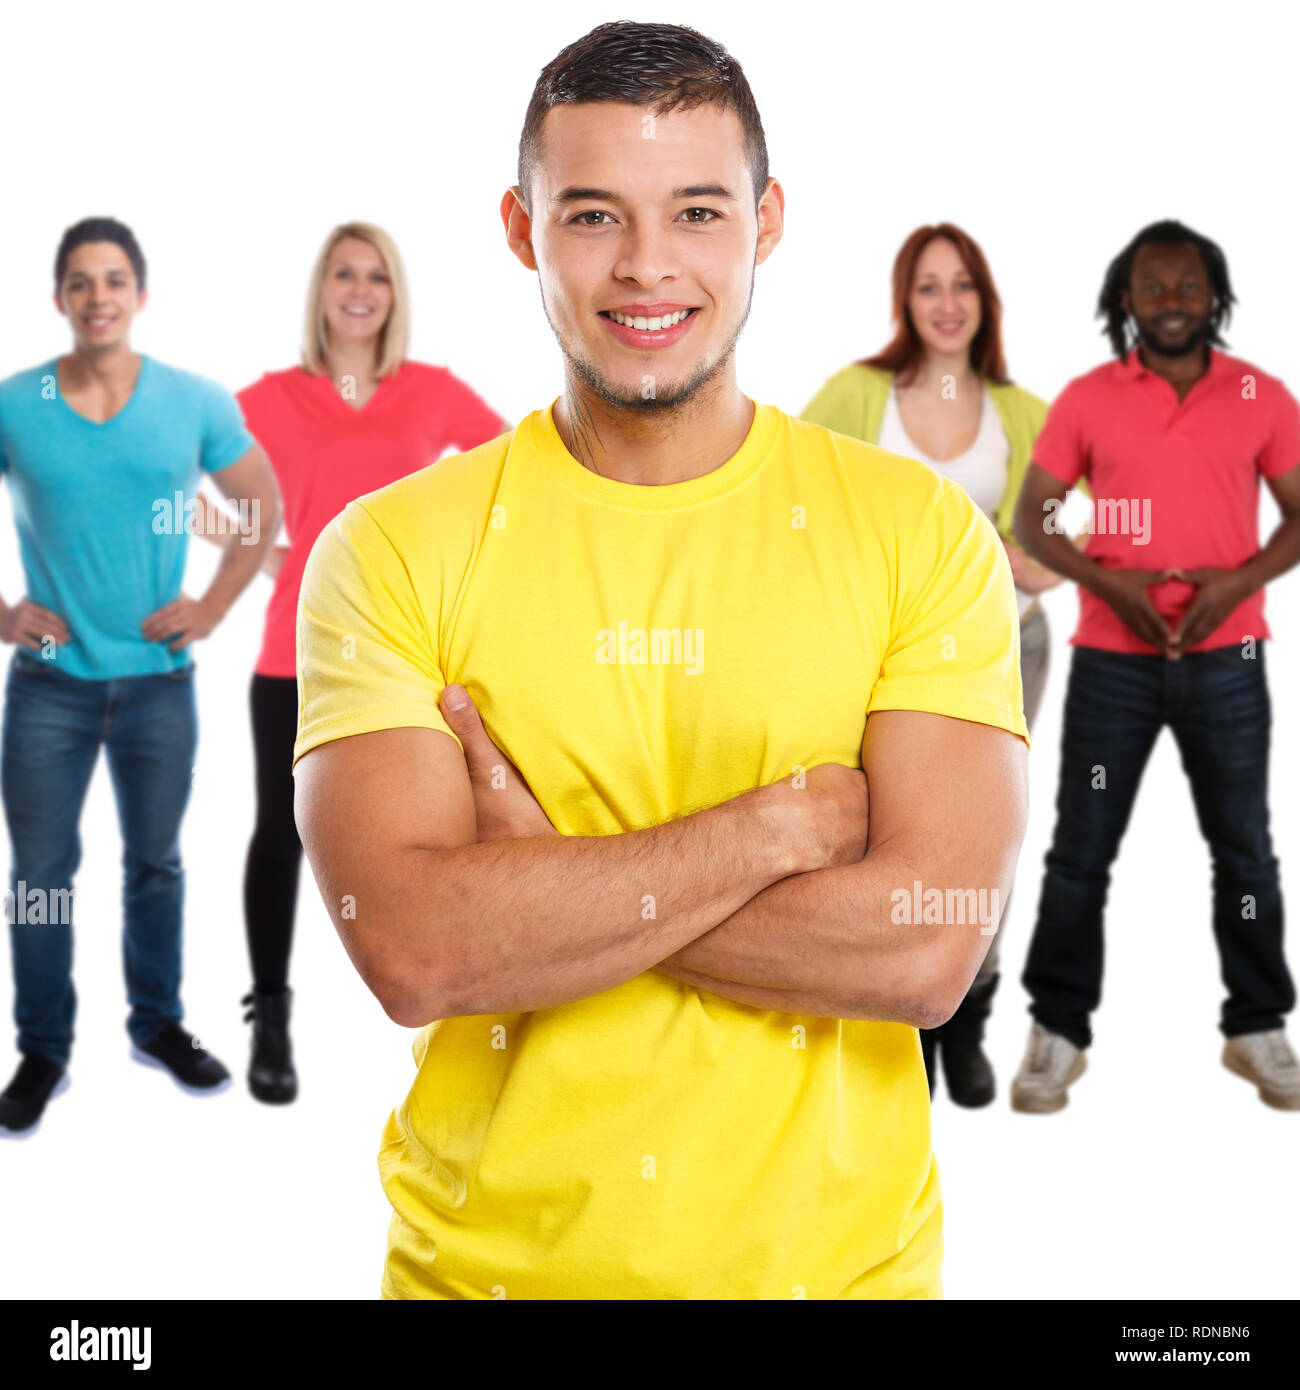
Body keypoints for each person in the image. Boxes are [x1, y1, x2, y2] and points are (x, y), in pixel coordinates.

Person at [293, 20, 1029, 1299]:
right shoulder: (391, 550)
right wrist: (769, 832)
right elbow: (411, 949)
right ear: (522, 228)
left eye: (696, 210)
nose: (648, 267)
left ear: (768, 219)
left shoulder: (918, 536)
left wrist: (538, 886)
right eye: (591, 217)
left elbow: (927, 951)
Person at [196, 223, 506, 1104]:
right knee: (280, 835)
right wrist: (261, 550)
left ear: (393, 293)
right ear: (322, 290)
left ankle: (477, 1007)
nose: (360, 289)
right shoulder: (272, 399)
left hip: (406, 662)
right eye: (344, 273)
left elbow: (513, 473)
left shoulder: (431, 392)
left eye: (376, 275)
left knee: (449, 839)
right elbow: (181, 474)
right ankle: (271, 1019)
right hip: (291, 657)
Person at [1010, 219, 1300, 1113]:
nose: (1171, 303)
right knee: (1078, 855)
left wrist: (1238, 581)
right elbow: (1035, 518)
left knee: (1245, 854)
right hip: (1112, 665)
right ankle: (1057, 1030)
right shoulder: (1090, 398)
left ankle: (1257, 1027)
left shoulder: (1262, 395)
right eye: (1152, 288)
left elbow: (1298, 515)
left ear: (1213, 295)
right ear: (1123, 300)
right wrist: (1111, 583)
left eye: (1187, 287)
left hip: (1228, 660)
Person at [0, 217, 280, 1135]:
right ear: (60, 300)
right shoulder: (17, 403)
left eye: (114, 280)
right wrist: (3, 616)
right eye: (80, 283)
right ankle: (42, 1049)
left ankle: (156, 1024)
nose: (98, 297)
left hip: (160, 684)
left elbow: (259, 506)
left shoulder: (191, 401)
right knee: (40, 872)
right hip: (48, 688)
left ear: (140, 296)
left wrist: (214, 606)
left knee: (155, 865)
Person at [801, 223, 1061, 1107]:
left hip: (1005, 651)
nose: (946, 304)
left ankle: (971, 1015)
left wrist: (1041, 562)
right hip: (882, 660)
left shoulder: (1018, 412)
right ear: (905, 303)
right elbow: (788, 504)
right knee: (890, 832)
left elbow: (1078, 527)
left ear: (984, 302)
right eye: (928, 287)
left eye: (962, 287)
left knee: (988, 840)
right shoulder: (858, 397)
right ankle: (902, 1013)